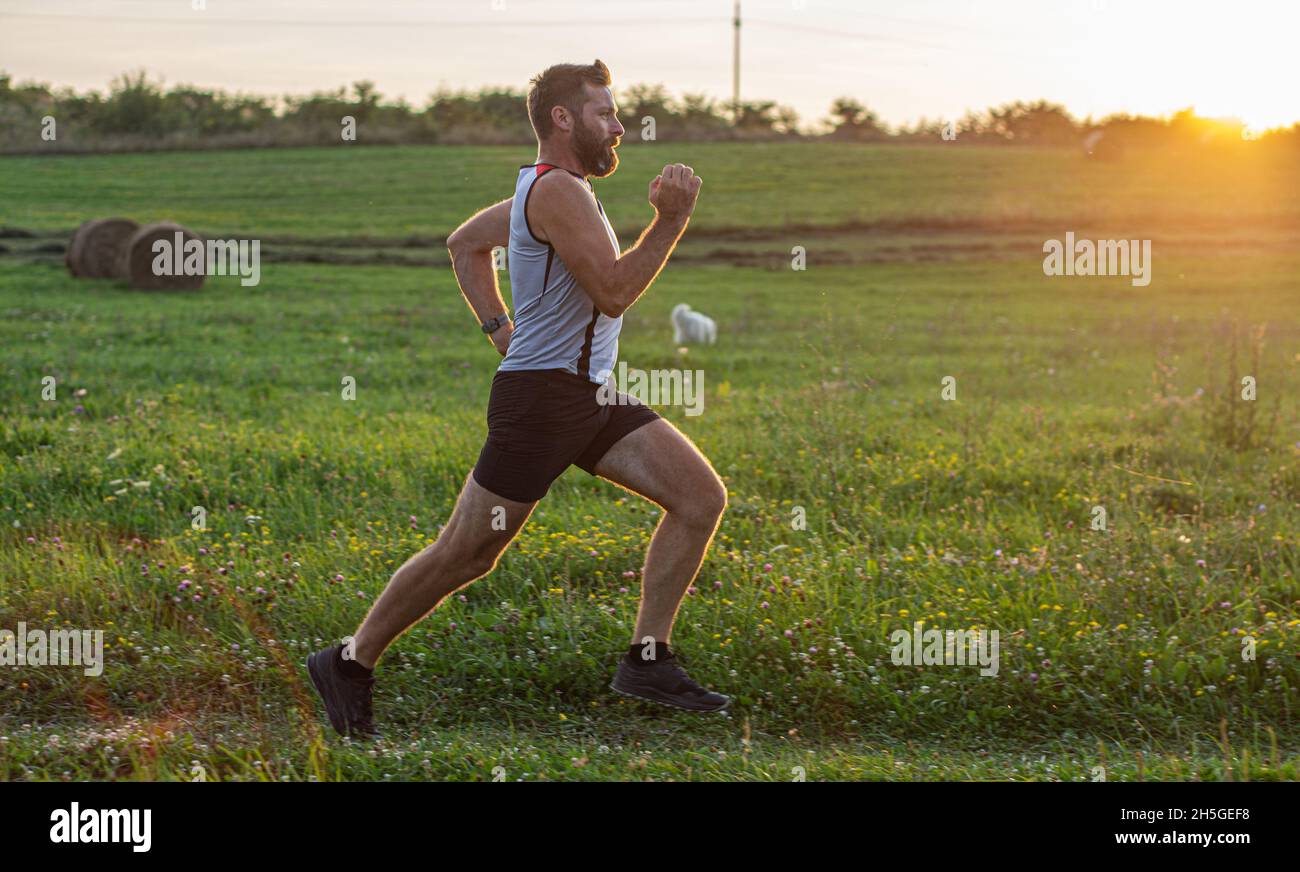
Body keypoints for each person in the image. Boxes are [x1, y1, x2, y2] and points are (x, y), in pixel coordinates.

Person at [308, 60, 728, 737]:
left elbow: (465, 244)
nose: (619, 127)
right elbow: (615, 291)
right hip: (540, 402)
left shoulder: (543, 189)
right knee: (466, 553)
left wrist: (501, 329)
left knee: (699, 497)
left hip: (582, 394)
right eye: (604, 114)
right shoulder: (558, 190)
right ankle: (348, 662)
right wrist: (672, 221)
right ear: (563, 119)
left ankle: (647, 659)